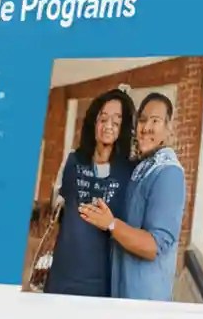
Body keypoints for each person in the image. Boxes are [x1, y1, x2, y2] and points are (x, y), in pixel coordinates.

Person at [79, 92, 186, 301]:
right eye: (142, 120)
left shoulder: (168, 173)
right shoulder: (141, 168)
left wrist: (110, 224)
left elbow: (153, 246)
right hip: (122, 292)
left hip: (145, 299)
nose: (146, 128)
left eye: (155, 121)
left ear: (168, 129)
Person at [43, 89, 135, 297]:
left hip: (99, 282)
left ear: (124, 127)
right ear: (94, 122)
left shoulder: (128, 172)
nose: (108, 125)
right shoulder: (72, 161)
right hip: (61, 275)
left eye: (117, 120)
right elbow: (56, 208)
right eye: (103, 118)